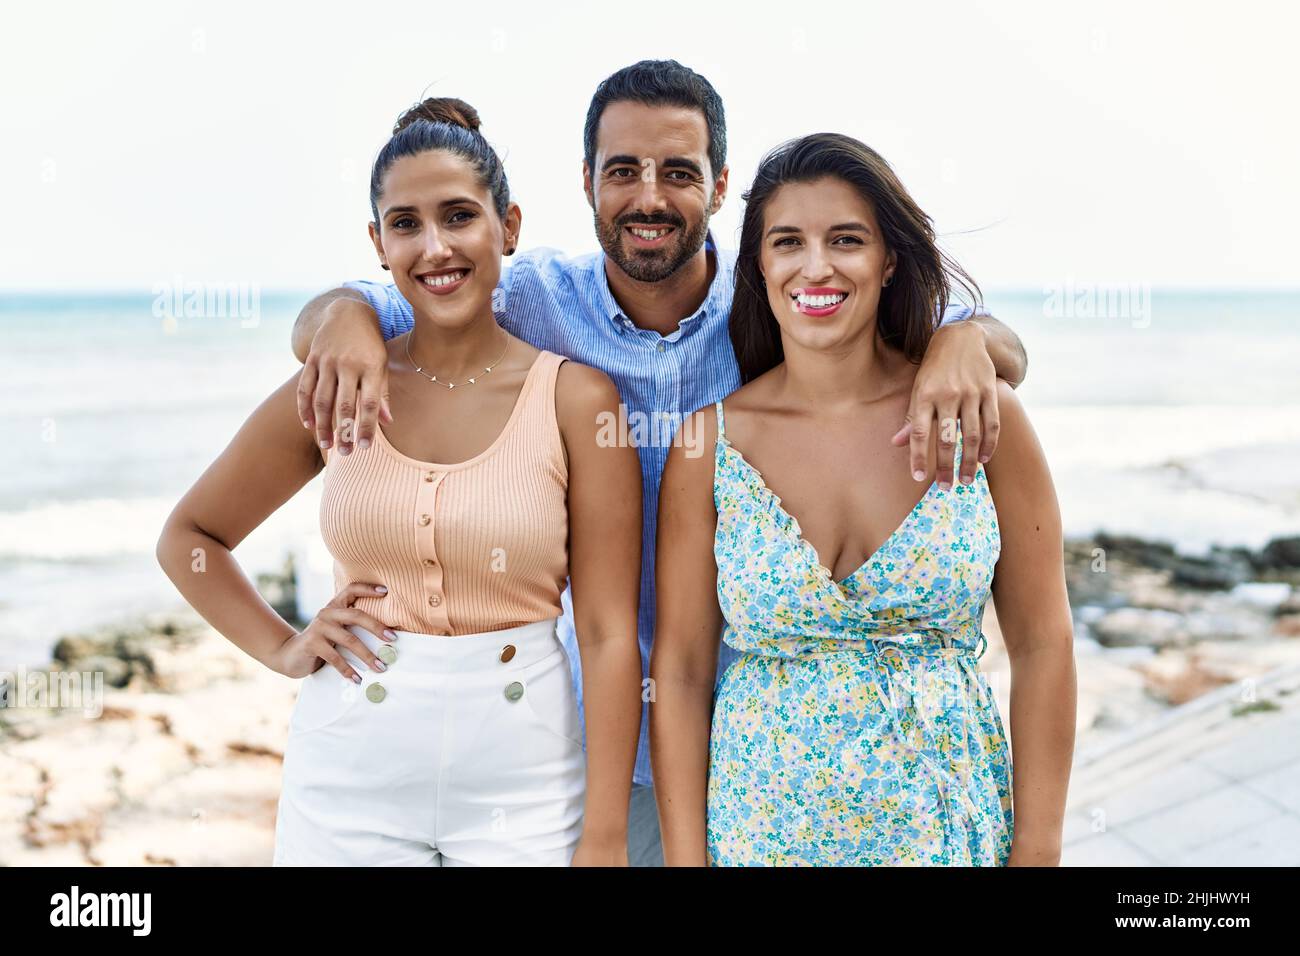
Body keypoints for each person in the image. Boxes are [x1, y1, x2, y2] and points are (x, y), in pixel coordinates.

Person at [288, 60, 1030, 865]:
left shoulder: (782, 304)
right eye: (622, 172)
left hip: (757, 739)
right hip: (584, 744)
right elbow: (390, 304)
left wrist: (965, 339)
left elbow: (986, 344)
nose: (648, 198)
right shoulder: (530, 300)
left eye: (678, 172)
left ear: (717, 189)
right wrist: (344, 314)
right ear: (585, 183)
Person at [156, 97, 643, 866]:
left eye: (459, 216)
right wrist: (285, 649)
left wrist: (607, 836)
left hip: (527, 774)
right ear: (378, 244)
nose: (435, 247)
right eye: (406, 224)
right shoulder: (336, 385)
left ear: (507, 227)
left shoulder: (578, 399)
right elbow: (191, 539)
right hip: (349, 767)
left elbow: (610, 635)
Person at [652, 133, 1076, 866]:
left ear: (888, 261)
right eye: (789, 242)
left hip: (949, 832)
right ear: (761, 264)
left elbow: (1044, 646)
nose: (816, 266)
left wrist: (1038, 850)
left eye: (845, 239)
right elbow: (684, 673)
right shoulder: (708, 444)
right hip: (760, 836)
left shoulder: (983, 417)